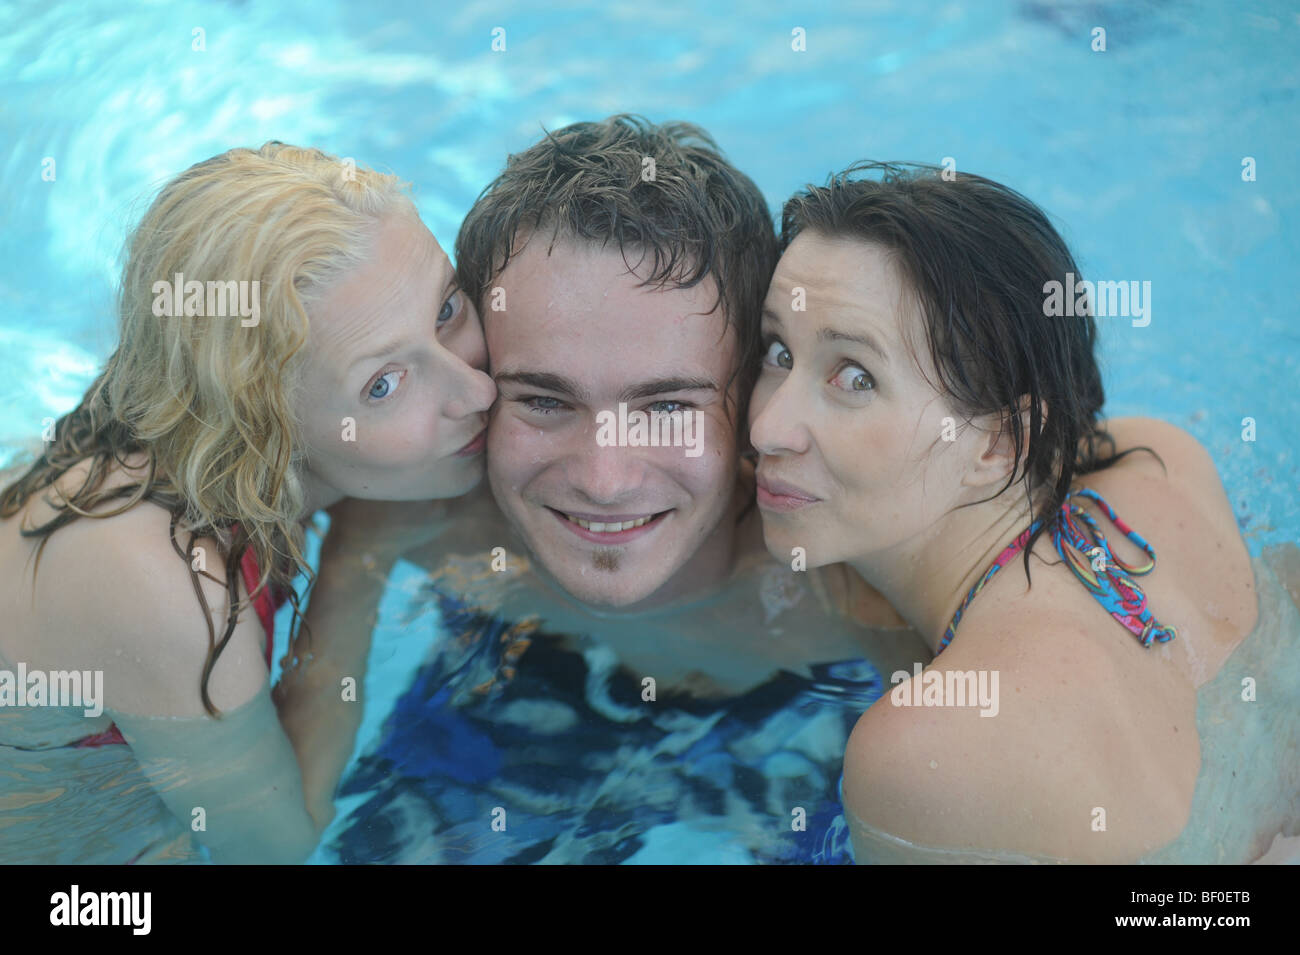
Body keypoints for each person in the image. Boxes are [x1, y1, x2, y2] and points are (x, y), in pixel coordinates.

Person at [344, 117, 932, 864]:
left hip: (795, 722)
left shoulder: (852, 585)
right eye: (544, 401)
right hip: (512, 693)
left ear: (755, 398)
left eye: (666, 408)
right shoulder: (421, 519)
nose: (604, 478)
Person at [750, 160, 1299, 863]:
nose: (767, 426)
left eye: (854, 377)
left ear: (1000, 442)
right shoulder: (1161, 462)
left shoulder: (922, 752)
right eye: (776, 350)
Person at [0, 142, 495, 863]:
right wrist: (361, 557)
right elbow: (272, 848)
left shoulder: (172, 411)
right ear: (266, 430)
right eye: (383, 385)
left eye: (447, 308)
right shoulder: (168, 586)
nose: (475, 390)